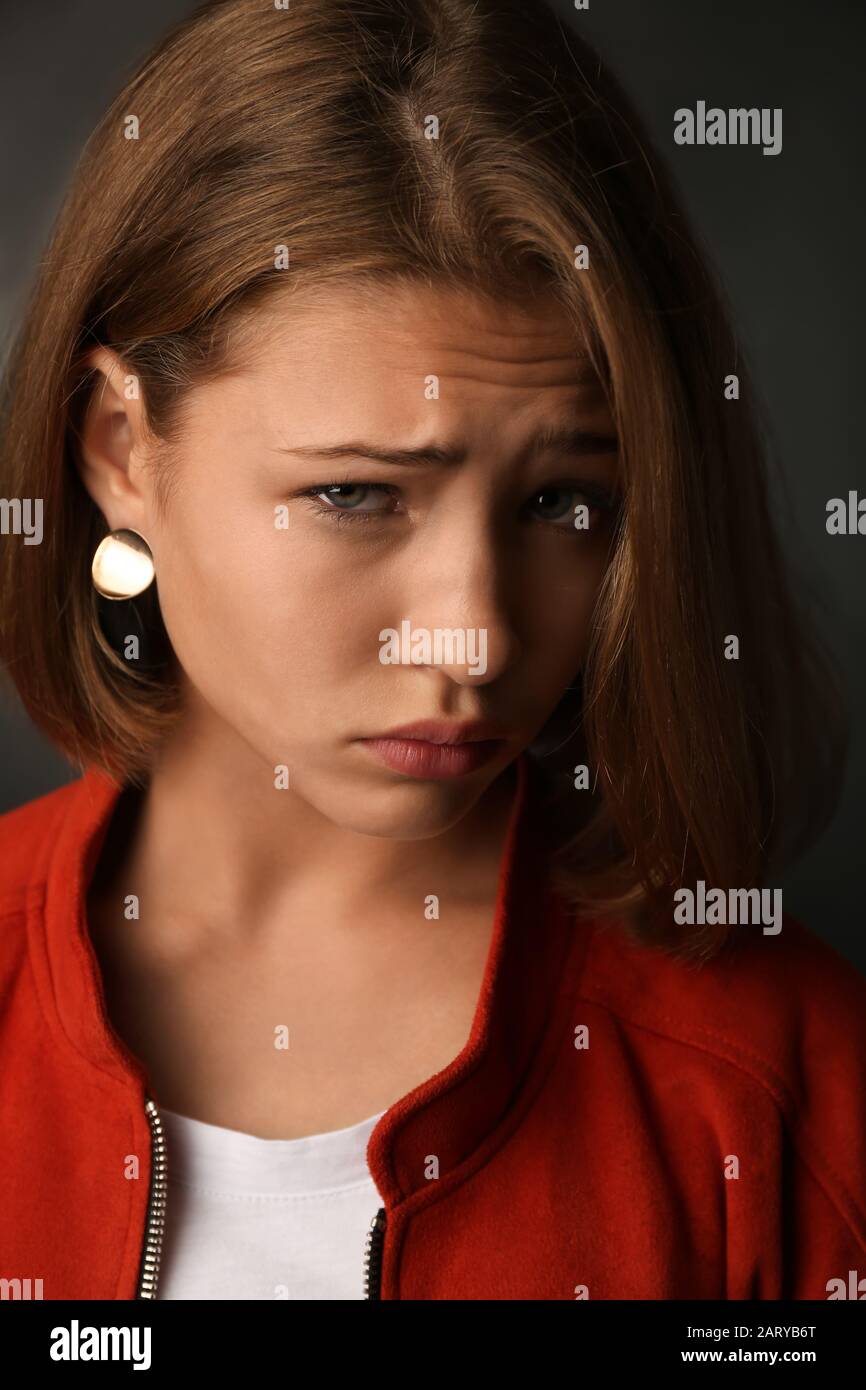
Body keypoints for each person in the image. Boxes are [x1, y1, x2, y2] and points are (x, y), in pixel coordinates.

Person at [0, 0, 863, 1302]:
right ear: (120, 449)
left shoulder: (784, 1079)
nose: (474, 634)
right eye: (356, 495)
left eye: (561, 503)